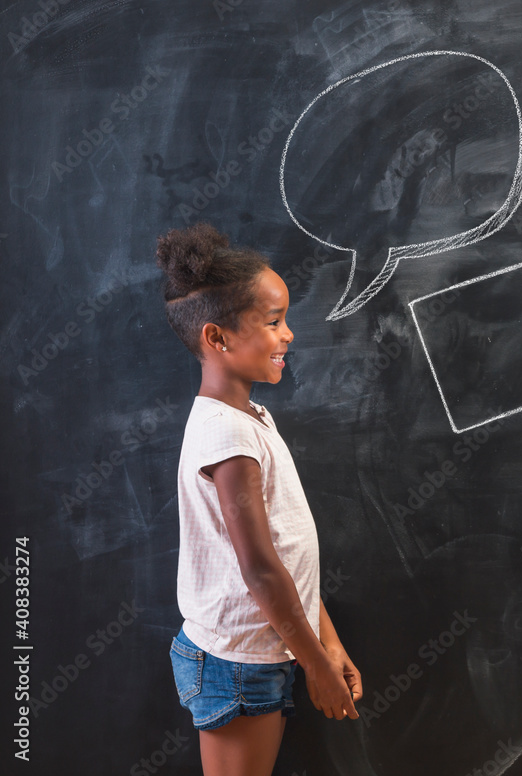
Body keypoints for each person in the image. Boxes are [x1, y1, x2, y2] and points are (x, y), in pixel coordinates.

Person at [157, 223, 362, 776]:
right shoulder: (227, 436)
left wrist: (328, 643)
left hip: (255, 653)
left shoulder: (250, 418)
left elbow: (286, 557)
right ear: (217, 339)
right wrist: (317, 666)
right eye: (273, 323)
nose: (288, 335)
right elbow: (261, 568)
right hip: (236, 663)